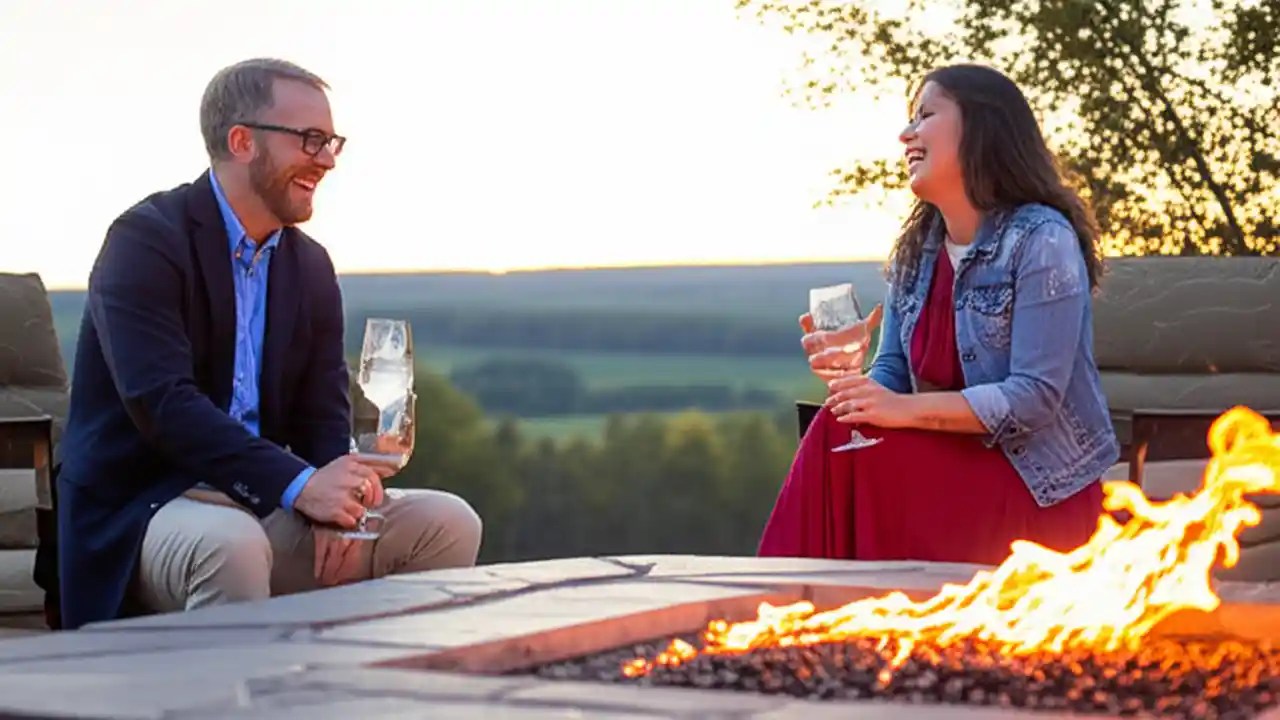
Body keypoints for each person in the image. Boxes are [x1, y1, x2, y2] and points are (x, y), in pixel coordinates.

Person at [53, 58, 483, 630]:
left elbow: (323, 407)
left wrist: (337, 500)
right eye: (310, 140)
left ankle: (370, 692)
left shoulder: (308, 265)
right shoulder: (146, 241)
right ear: (242, 141)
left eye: (331, 142)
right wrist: (302, 486)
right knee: (229, 546)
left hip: (267, 501)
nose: (327, 160)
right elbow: (163, 404)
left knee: (447, 522)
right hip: (150, 509)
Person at [757, 64, 1119, 566]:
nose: (906, 134)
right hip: (947, 467)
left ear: (982, 127)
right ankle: (802, 605)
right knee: (837, 428)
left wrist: (900, 411)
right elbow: (895, 377)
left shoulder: (1042, 239)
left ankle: (789, 595)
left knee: (837, 436)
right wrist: (857, 384)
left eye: (925, 115)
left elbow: (1034, 398)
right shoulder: (917, 250)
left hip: (1034, 487)